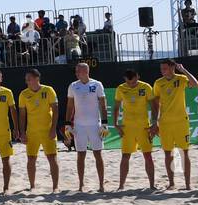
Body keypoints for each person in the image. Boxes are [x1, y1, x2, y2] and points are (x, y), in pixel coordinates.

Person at [152, 58, 198, 189]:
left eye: (165, 68)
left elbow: (195, 84)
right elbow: (155, 104)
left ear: (172, 67)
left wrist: (183, 70)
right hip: (165, 123)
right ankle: (172, 183)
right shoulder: (158, 83)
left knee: (184, 152)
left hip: (181, 122)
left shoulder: (181, 78)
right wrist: (154, 123)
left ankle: (188, 184)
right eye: (161, 69)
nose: (163, 71)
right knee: (168, 153)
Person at [66, 62, 107, 193]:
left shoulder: (97, 84)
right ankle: (81, 184)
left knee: (98, 154)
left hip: (95, 124)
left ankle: (101, 184)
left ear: (86, 71)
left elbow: (103, 104)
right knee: (80, 155)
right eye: (76, 71)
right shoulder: (73, 86)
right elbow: (70, 106)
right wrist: (67, 124)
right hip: (79, 125)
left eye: (79, 71)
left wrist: (105, 123)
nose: (76, 73)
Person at [112, 69, 156, 190]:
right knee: (125, 156)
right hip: (128, 127)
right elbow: (116, 107)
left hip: (143, 127)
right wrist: (115, 124)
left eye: (133, 82)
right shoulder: (121, 88)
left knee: (148, 155)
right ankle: (121, 185)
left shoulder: (146, 87)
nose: (130, 84)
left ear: (138, 76)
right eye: (128, 82)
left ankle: (152, 185)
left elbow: (154, 106)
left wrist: (154, 123)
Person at [17, 68, 59, 192]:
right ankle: (32, 186)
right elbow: (22, 115)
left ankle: (55, 187)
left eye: (29, 79)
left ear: (37, 79)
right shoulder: (24, 94)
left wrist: (53, 129)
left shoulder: (48, 90)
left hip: (47, 130)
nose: (27, 82)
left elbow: (55, 110)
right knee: (31, 159)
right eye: (26, 80)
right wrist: (22, 133)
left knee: (52, 157)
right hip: (32, 132)